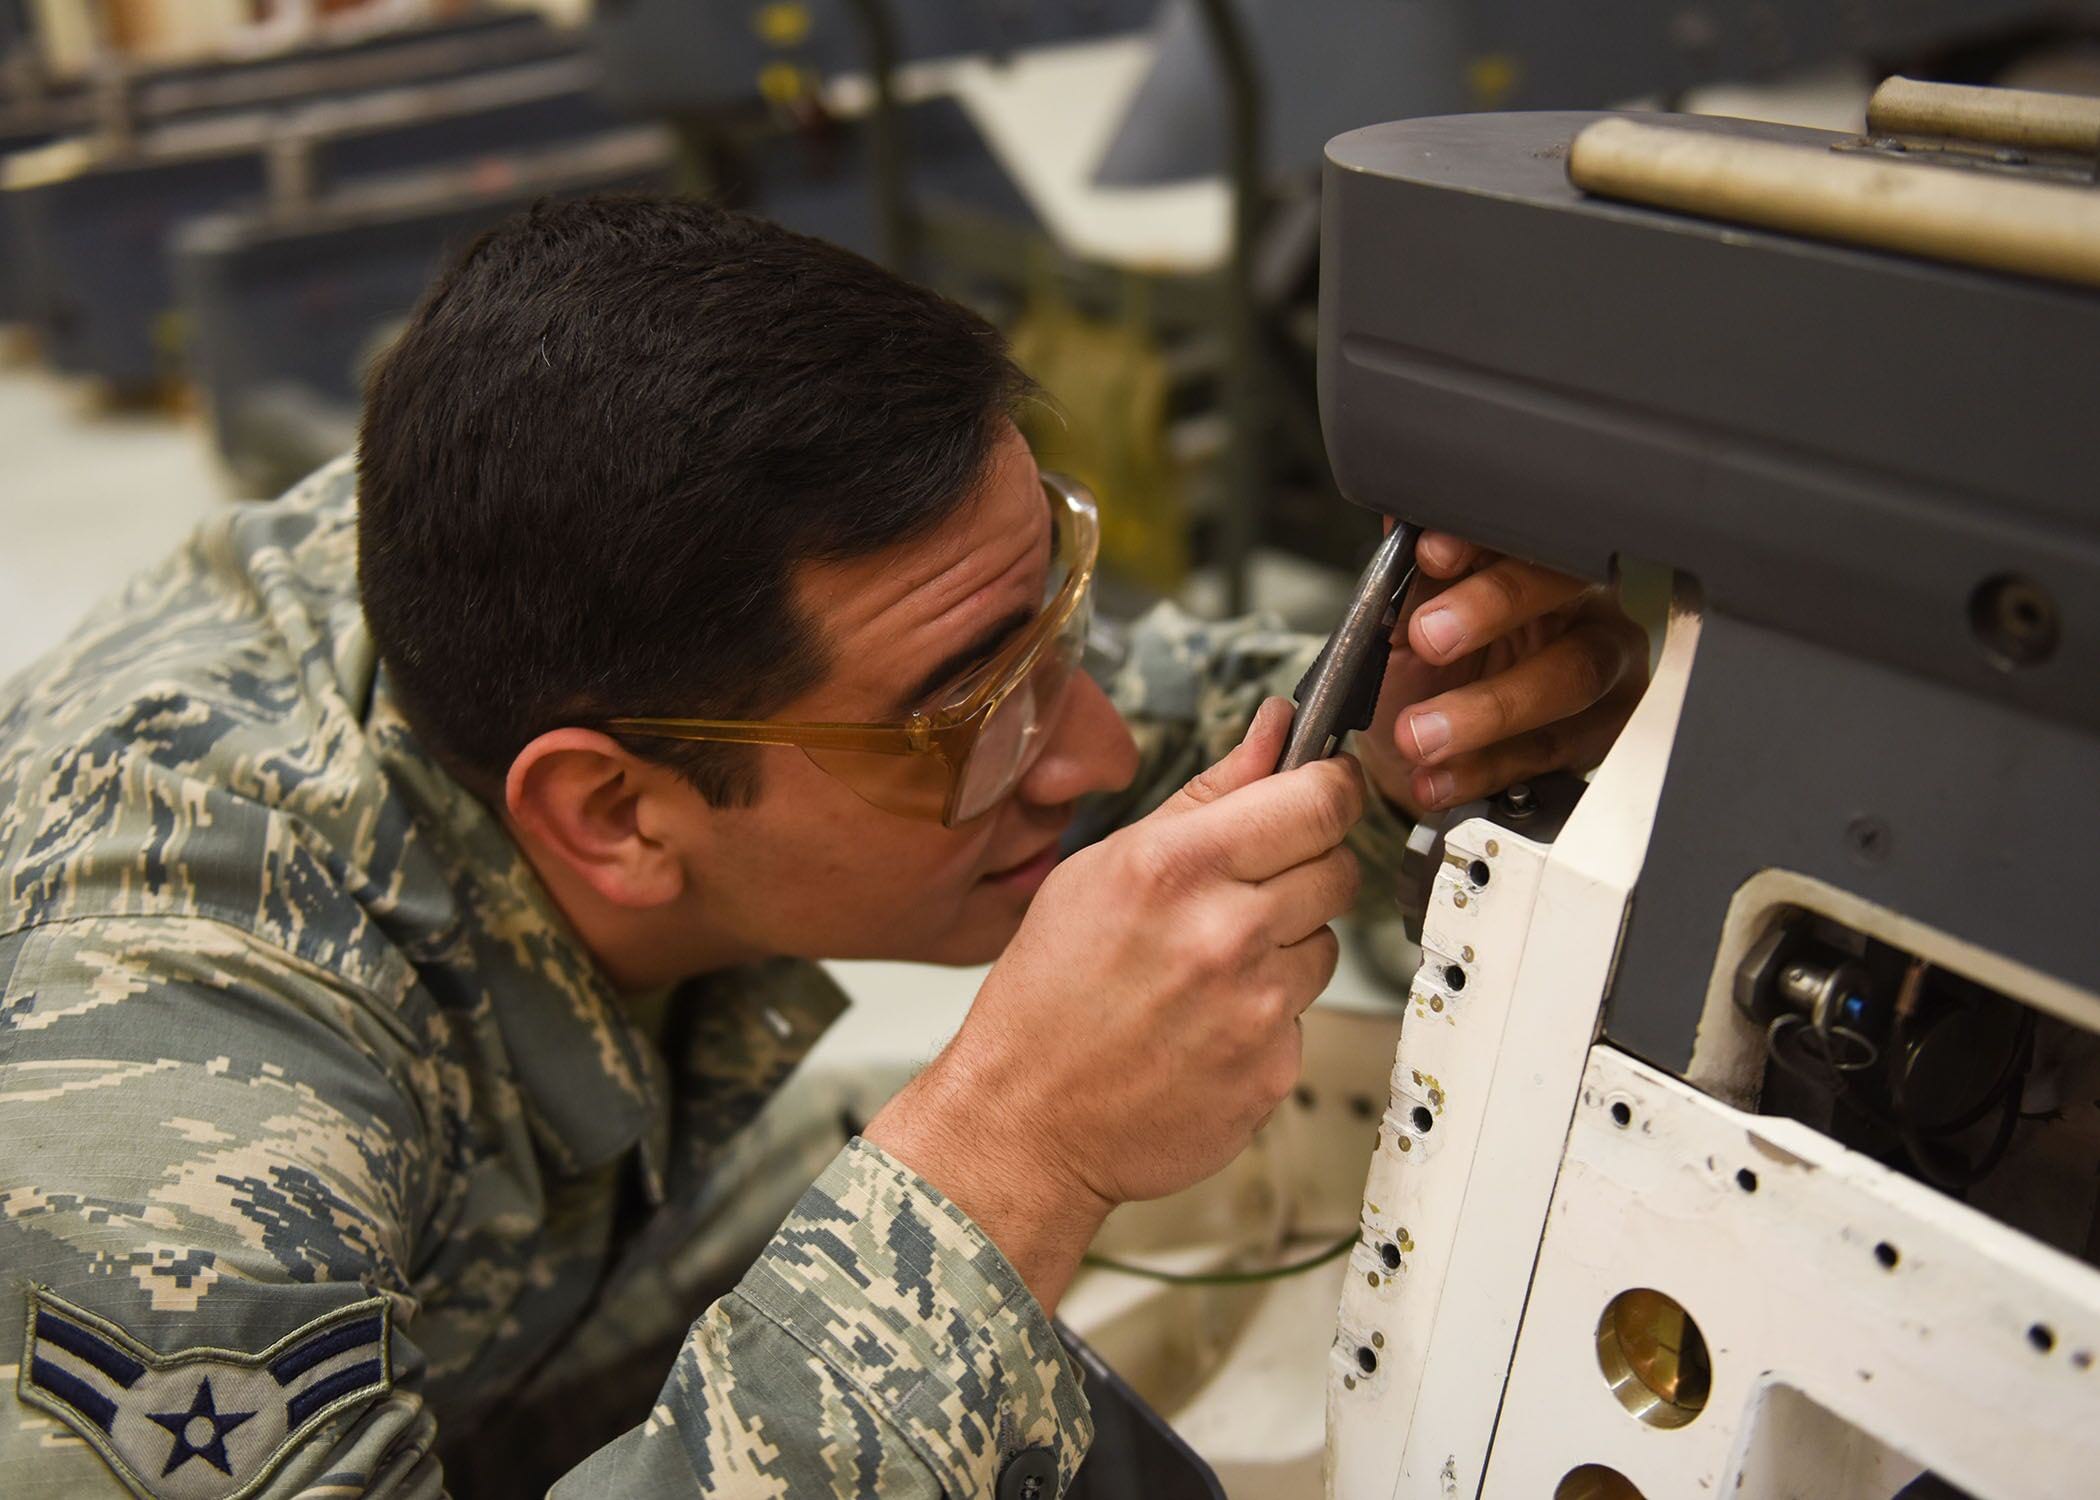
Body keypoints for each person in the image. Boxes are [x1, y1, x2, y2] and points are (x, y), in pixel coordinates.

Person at [0, 198, 1647, 1498]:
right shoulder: (172, 1118)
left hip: (509, 1305)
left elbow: (1160, 733)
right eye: (976, 715)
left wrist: (1418, 730)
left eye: (1055, 627)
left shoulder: (582, 562)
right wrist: (1018, 1145)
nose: (1081, 754)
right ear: (612, 814)